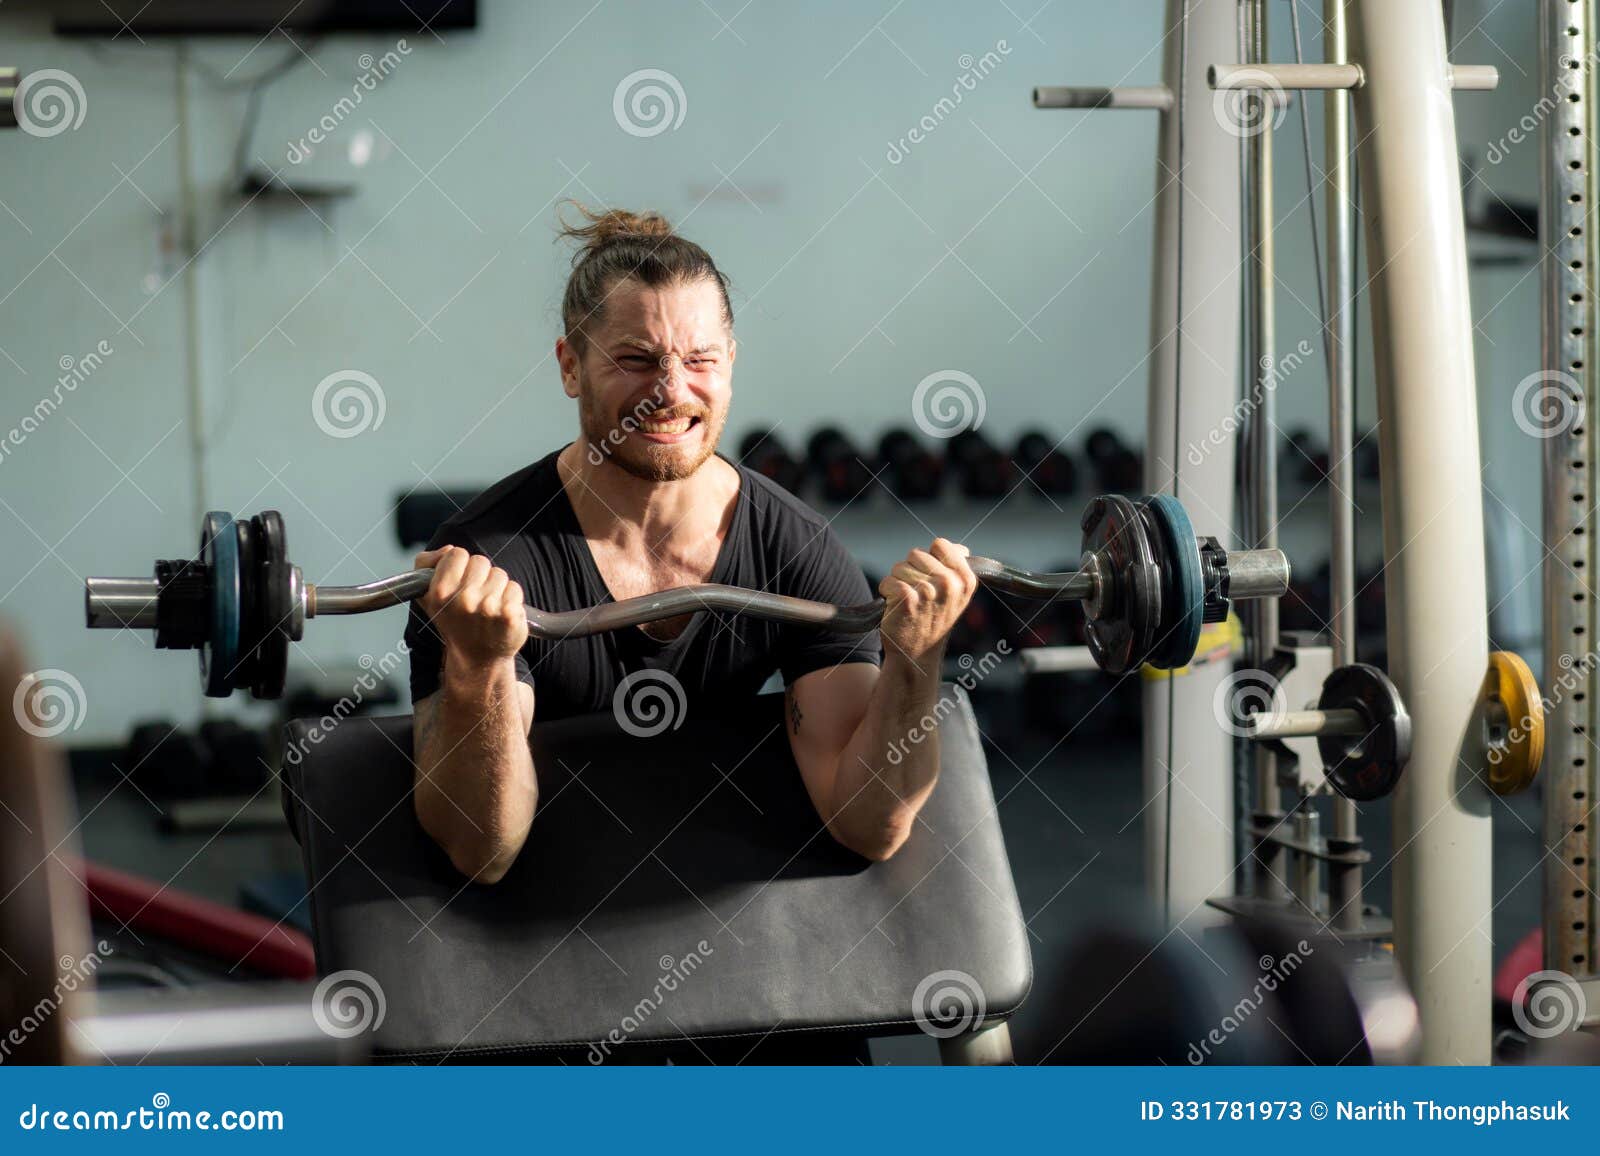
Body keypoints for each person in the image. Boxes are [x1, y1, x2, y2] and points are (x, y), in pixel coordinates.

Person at [402, 204, 977, 1061]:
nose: (672, 391)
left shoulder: (796, 548)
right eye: (636, 360)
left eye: (701, 359)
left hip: (755, 973)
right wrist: (480, 667)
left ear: (731, 364)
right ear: (570, 366)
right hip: (551, 978)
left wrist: (915, 660)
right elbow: (481, 846)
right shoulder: (491, 565)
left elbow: (868, 822)